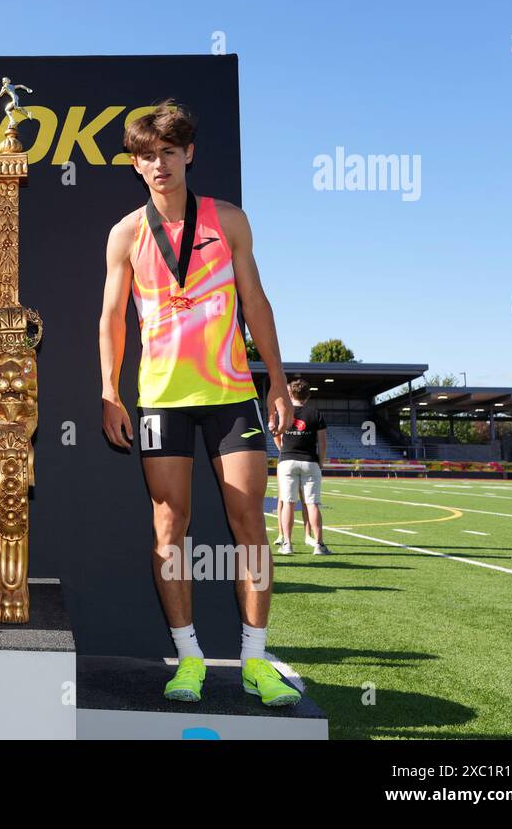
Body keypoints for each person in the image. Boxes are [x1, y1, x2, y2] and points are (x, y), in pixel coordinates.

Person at [99, 101, 302, 707]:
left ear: (187, 154)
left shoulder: (230, 220)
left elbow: (256, 302)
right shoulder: (126, 233)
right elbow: (111, 316)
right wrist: (109, 389)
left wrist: (279, 381)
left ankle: (255, 659)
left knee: (250, 528)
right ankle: (187, 657)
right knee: (170, 527)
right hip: (161, 398)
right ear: (135, 165)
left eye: (167, 151)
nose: (157, 164)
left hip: (232, 395)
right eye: (145, 156)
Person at [274, 378, 330, 555]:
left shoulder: (283, 411)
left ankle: (288, 544)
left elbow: (276, 433)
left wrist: (284, 450)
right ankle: (319, 545)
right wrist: (320, 463)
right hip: (309, 461)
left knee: (288, 503)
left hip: (287, 461)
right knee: (312, 504)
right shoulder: (315, 413)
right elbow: (323, 444)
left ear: (290, 393)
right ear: (308, 395)